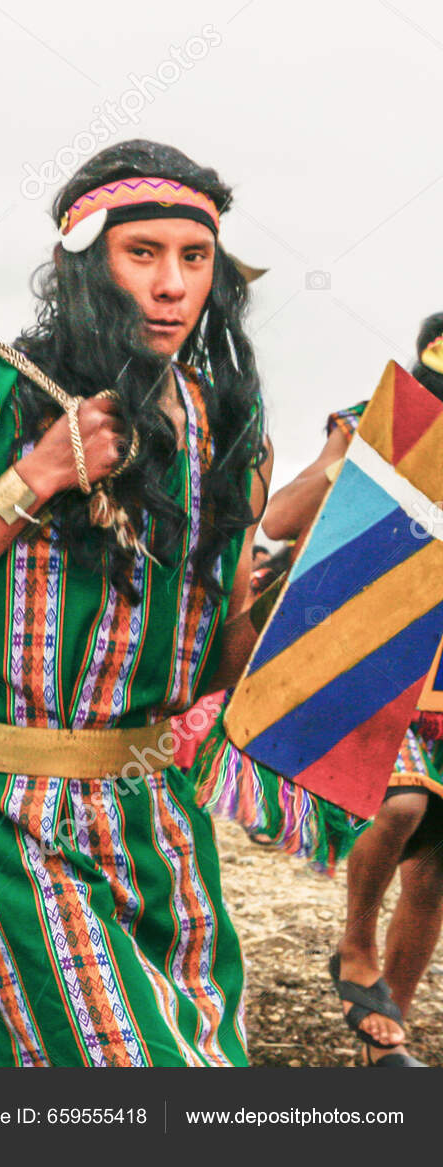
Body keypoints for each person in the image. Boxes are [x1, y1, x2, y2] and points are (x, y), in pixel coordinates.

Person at [0, 140, 271, 1066]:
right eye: (143, 253)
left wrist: (315, 604)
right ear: (81, 263)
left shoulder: (228, 424)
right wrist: (38, 475)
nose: (171, 285)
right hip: (9, 802)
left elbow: (224, 660)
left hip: (158, 808)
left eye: (193, 259)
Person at [257, 311, 443, 1068]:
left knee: (438, 863)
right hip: (367, 652)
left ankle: (384, 1033)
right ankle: (355, 940)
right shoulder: (369, 422)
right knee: (400, 802)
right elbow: (280, 515)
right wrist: (365, 457)